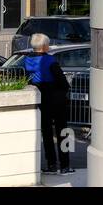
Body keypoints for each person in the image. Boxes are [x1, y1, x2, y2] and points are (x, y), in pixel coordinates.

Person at [24, 33, 74, 175]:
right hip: (57, 100)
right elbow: (63, 83)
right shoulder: (51, 61)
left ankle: (51, 164)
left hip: (41, 101)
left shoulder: (27, 61)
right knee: (62, 132)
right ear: (45, 46)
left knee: (46, 134)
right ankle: (65, 165)